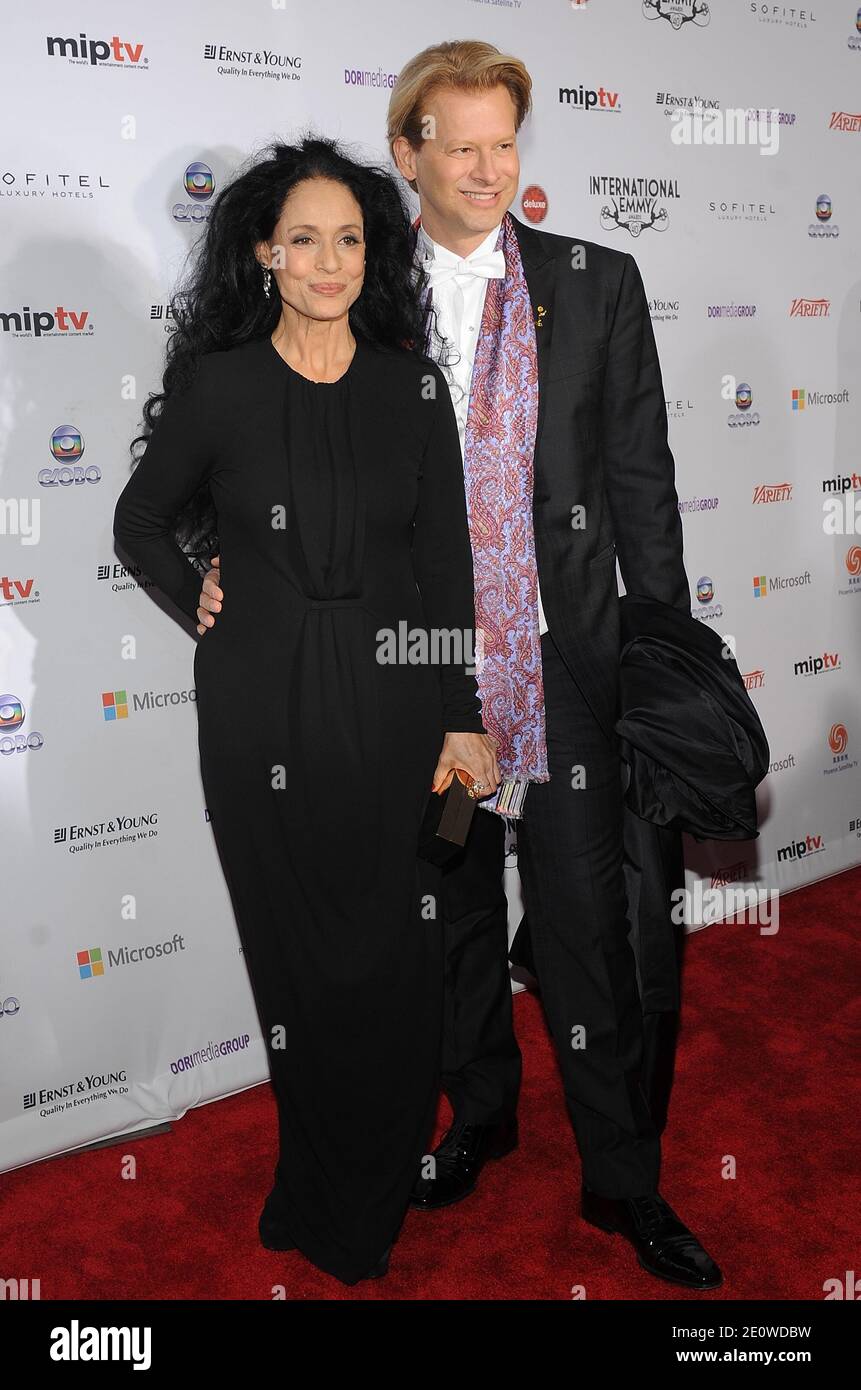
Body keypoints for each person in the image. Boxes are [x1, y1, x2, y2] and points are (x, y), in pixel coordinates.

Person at [196, 42, 723, 1291]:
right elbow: (283, 436)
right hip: (423, 675)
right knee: (453, 914)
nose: (491, 171)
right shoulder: (365, 300)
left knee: (592, 929)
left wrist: (663, 657)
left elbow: (643, 490)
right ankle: (479, 1115)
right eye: (464, 145)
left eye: (508, 144)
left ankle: (624, 1181)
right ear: (410, 154)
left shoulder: (598, 285)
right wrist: (221, 562)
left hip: (565, 665)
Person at [113, 136, 500, 1286]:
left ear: (370, 253)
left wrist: (462, 711)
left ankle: (367, 1195)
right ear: (264, 254)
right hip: (259, 708)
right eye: (305, 240)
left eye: (351, 238)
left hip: (391, 703)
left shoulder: (411, 386)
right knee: (292, 963)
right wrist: (197, 595)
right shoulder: (220, 387)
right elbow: (139, 521)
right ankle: (311, 1177)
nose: (330, 261)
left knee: (389, 962)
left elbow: (447, 566)